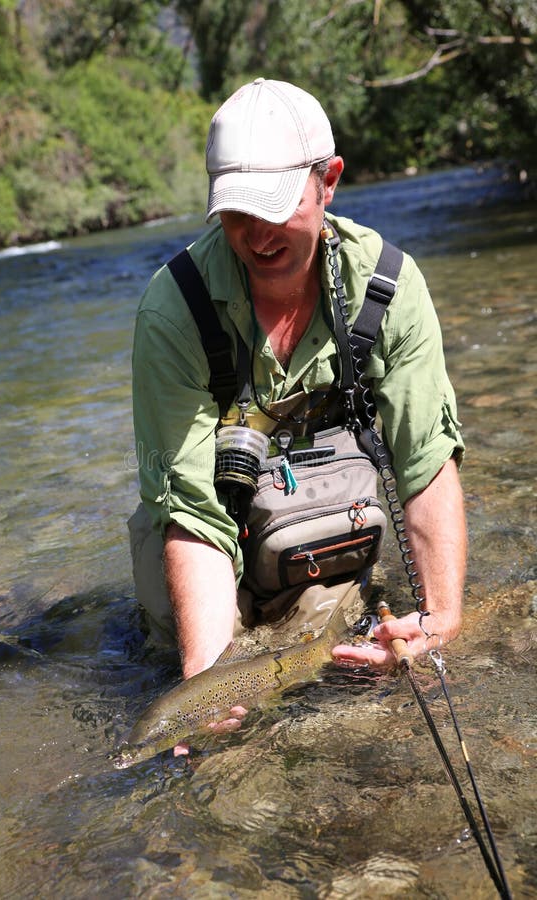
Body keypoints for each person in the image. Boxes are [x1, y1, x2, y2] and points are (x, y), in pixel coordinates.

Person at [128, 77, 466, 689]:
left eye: (277, 204)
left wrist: (437, 625)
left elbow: (425, 464)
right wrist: (208, 686)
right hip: (209, 533)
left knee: (343, 675)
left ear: (329, 180)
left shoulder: (388, 288)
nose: (257, 234)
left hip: (315, 531)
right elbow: (195, 514)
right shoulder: (172, 310)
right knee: (178, 676)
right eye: (237, 211)